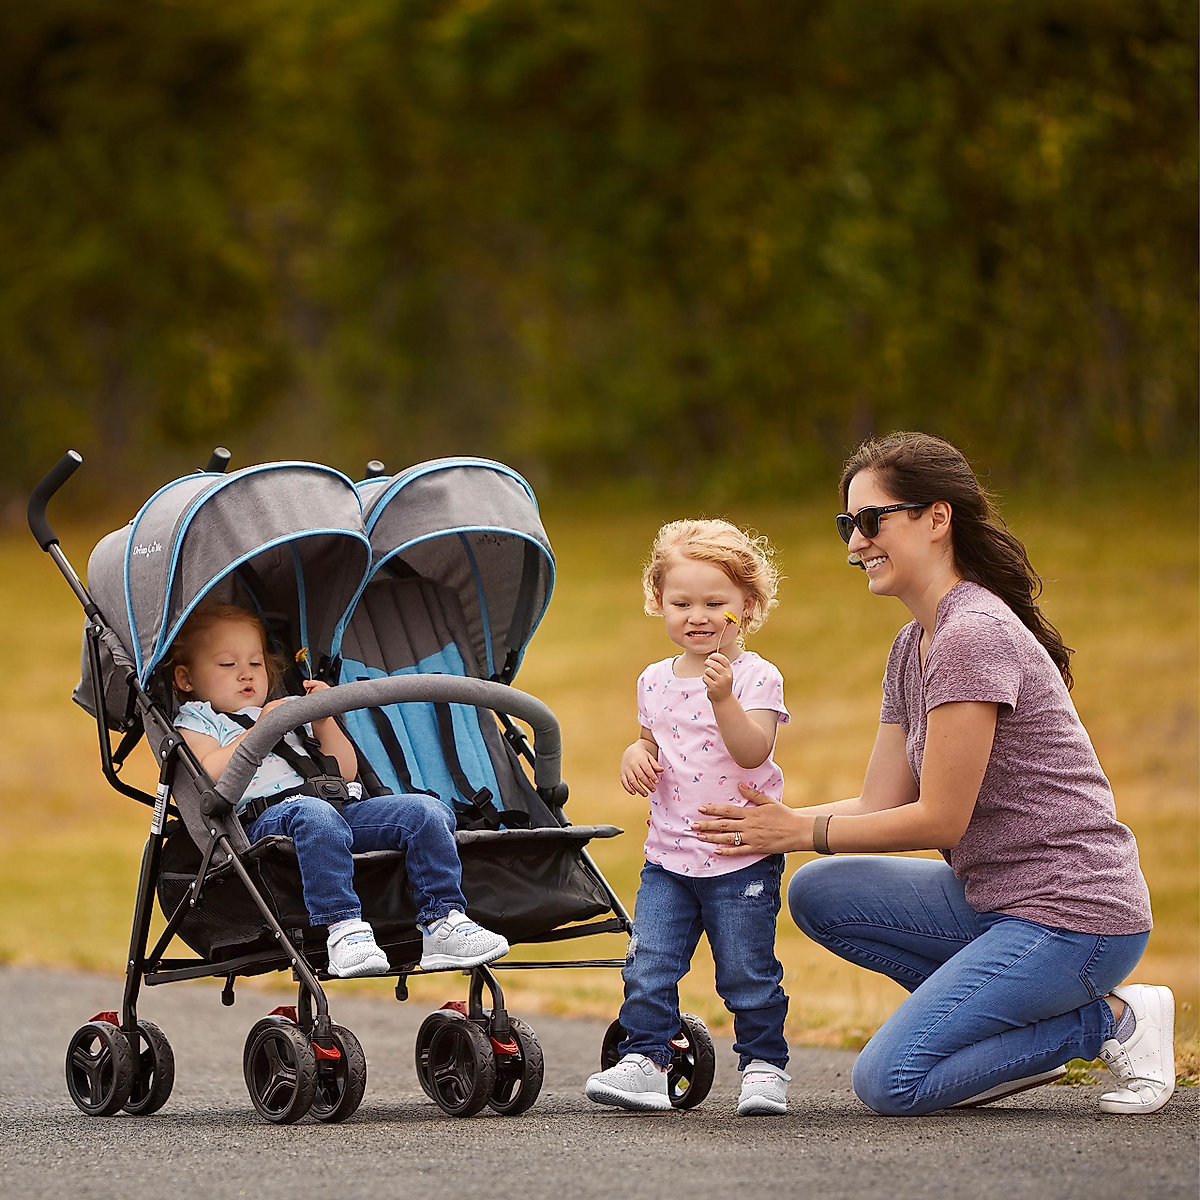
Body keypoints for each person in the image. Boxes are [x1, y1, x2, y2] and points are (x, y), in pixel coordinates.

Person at [693, 432, 1174, 1117]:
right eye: (847, 523)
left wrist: (800, 830)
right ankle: (993, 1022)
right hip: (993, 899)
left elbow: (940, 819)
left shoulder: (971, 634)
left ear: (937, 518)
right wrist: (768, 825)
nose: (855, 542)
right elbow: (879, 802)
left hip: (1075, 918)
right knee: (821, 891)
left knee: (890, 1082)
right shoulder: (911, 643)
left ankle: (1111, 1021)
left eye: (872, 520)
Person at [169, 603, 509, 979]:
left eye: (255, 663)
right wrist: (261, 729)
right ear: (186, 678)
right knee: (313, 814)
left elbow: (345, 771)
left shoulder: (288, 707)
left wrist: (324, 719)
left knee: (426, 811)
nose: (246, 673)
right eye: (227, 664)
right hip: (267, 820)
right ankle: (344, 929)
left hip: (337, 806)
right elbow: (207, 773)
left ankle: (443, 921)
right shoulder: (199, 720)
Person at [584, 519, 792, 1116]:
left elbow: (753, 751)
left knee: (747, 972)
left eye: (715, 603)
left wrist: (722, 697)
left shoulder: (755, 676)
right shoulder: (654, 679)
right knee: (649, 963)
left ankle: (763, 1066)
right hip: (668, 857)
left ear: (746, 605)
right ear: (659, 602)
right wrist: (634, 754)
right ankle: (646, 1062)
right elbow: (650, 740)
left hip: (738, 855)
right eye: (681, 603)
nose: (697, 616)